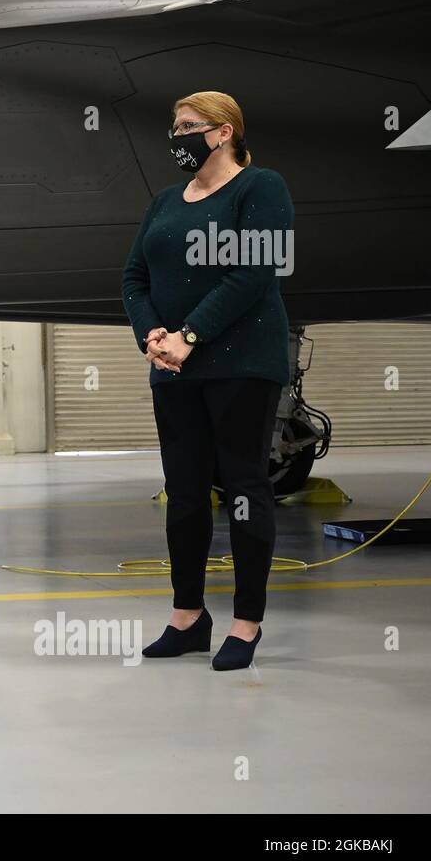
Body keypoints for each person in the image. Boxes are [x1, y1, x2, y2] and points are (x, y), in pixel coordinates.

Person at [121, 91, 294, 671]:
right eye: (174, 128)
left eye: (188, 127)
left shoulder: (259, 187)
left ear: (223, 133)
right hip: (172, 368)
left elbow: (253, 273)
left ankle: (246, 625)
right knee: (186, 491)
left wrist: (188, 336)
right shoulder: (166, 200)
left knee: (245, 489)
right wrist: (152, 336)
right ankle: (188, 618)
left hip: (241, 363)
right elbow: (134, 276)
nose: (177, 137)